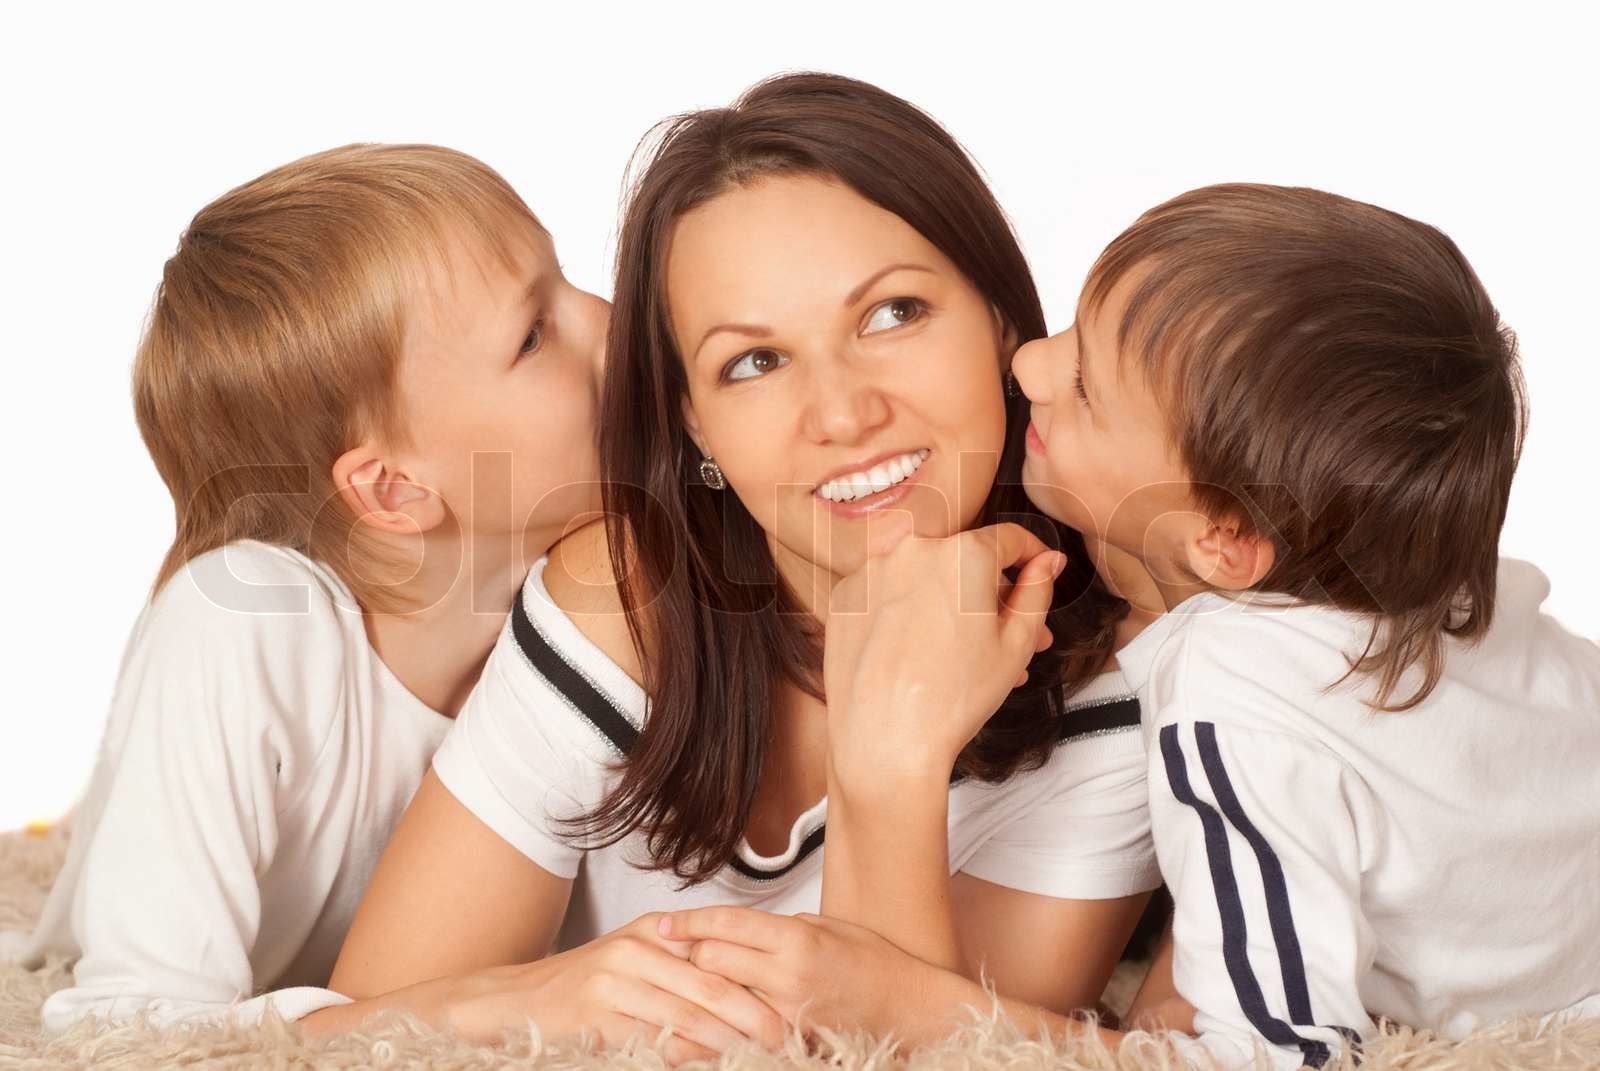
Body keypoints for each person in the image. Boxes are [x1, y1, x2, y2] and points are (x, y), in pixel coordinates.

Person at [322, 72, 1161, 1063]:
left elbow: (932, 1053)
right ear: (695, 424)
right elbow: (345, 1034)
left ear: (1000, 320)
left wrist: (886, 768)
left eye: (892, 313)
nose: (843, 414)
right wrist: (534, 995)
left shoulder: (1117, 675)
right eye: (754, 363)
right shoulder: (622, 600)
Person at [663, 183, 1600, 1069]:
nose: (1028, 363)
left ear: (1221, 540)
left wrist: (915, 1008)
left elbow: (1282, 1056)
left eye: (1084, 386)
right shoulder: (1459, 585)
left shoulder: (1227, 692)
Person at [1, 144, 611, 1033]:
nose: (608, 317)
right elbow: (126, 1024)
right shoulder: (237, 623)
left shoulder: (582, 612)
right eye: (533, 333)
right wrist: (466, 1006)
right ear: (393, 490)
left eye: (569, 280)